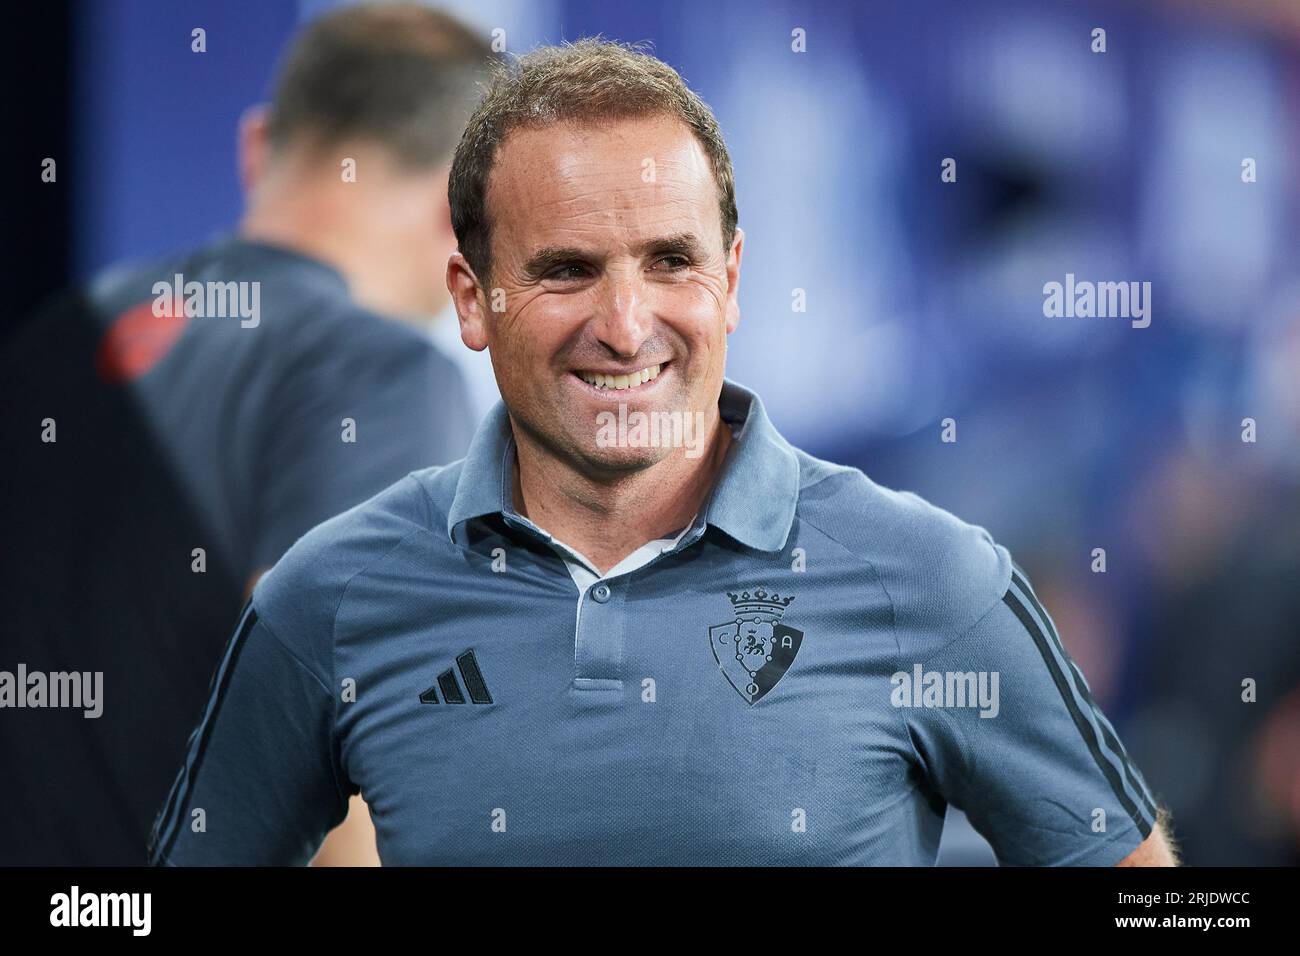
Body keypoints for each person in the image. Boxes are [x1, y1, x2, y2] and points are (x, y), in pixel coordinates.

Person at [149, 38, 1177, 866]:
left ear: (730, 280)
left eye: (670, 262)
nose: (625, 322)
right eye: (566, 270)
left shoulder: (927, 576)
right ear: (473, 299)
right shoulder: (331, 593)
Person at [0, 3, 493, 865]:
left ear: (257, 146)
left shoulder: (52, 336)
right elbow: (339, 738)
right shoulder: (377, 375)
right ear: (463, 218)